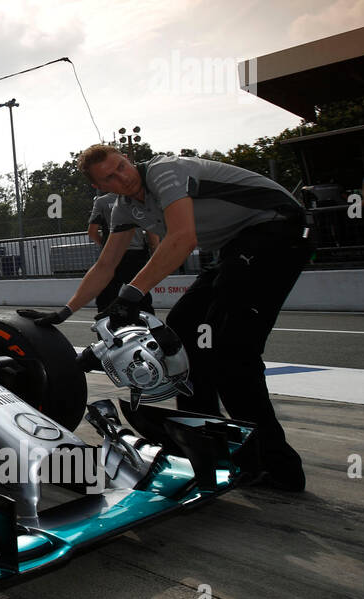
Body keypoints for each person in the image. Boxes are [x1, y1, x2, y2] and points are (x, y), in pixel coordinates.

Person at [21, 145, 312, 492]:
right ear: (101, 188)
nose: (121, 177)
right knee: (182, 338)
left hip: (281, 229)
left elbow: (182, 238)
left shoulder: (165, 171)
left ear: (129, 161)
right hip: (237, 246)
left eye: (121, 167)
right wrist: (64, 311)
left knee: (233, 353)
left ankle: (278, 468)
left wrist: (130, 294)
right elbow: (106, 264)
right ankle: (207, 450)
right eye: (109, 178)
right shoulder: (124, 207)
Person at [88, 192, 159, 314]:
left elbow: (92, 232)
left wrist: (107, 246)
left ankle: (105, 328)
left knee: (106, 297)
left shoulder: (102, 201)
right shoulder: (140, 198)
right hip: (136, 254)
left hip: (112, 255)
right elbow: (152, 232)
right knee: (140, 293)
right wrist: (155, 254)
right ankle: (151, 327)